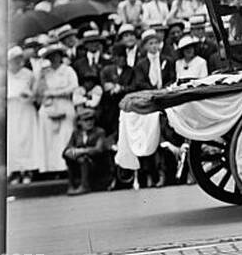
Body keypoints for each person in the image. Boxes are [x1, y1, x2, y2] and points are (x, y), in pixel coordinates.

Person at [116, 28, 175, 188]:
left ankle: (163, 171)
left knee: (163, 133)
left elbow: (172, 78)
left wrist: (164, 89)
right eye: (151, 43)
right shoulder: (141, 64)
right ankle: (150, 173)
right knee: (146, 133)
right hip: (150, 101)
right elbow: (139, 82)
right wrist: (152, 90)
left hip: (165, 98)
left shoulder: (167, 60)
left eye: (156, 43)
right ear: (145, 46)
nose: (154, 46)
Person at [32, 42, 79, 176]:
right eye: (51, 56)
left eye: (56, 56)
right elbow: (37, 93)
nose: (54, 59)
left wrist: (55, 93)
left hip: (65, 105)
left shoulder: (68, 71)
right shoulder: (45, 73)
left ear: (60, 56)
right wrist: (39, 76)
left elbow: (73, 87)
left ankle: (66, 167)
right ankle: (51, 169)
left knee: (65, 135)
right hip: (49, 107)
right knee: (48, 138)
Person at [6, 47, 41, 183]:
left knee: (28, 139)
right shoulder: (3, 75)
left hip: (26, 109)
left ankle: (28, 171)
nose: (18, 62)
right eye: (15, 59)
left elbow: (35, 94)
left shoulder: (28, 74)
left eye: (20, 58)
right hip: (11, 110)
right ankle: (14, 171)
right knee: (12, 140)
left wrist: (29, 95)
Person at [63, 105, 114, 195]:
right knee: (70, 157)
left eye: (91, 119)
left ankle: (84, 186)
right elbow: (68, 148)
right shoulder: (76, 133)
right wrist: (71, 152)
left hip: (98, 164)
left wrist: (82, 151)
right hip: (81, 164)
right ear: (79, 122)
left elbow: (98, 149)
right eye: (86, 120)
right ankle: (71, 186)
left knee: (83, 158)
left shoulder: (99, 132)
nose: (89, 122)